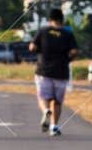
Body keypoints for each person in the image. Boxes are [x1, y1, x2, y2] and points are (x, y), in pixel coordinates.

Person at [31, 9, 78, 137]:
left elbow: (32, 47)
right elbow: (74, 51)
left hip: (43, 71)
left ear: (50, 19)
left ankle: (46, 111)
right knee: (57, 101)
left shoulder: (43, 31)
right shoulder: (68, 34)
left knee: (43, 97)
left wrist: (40, 50)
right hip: (61, 72)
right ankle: (54, 127)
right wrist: (68, 58)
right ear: (62, 19)